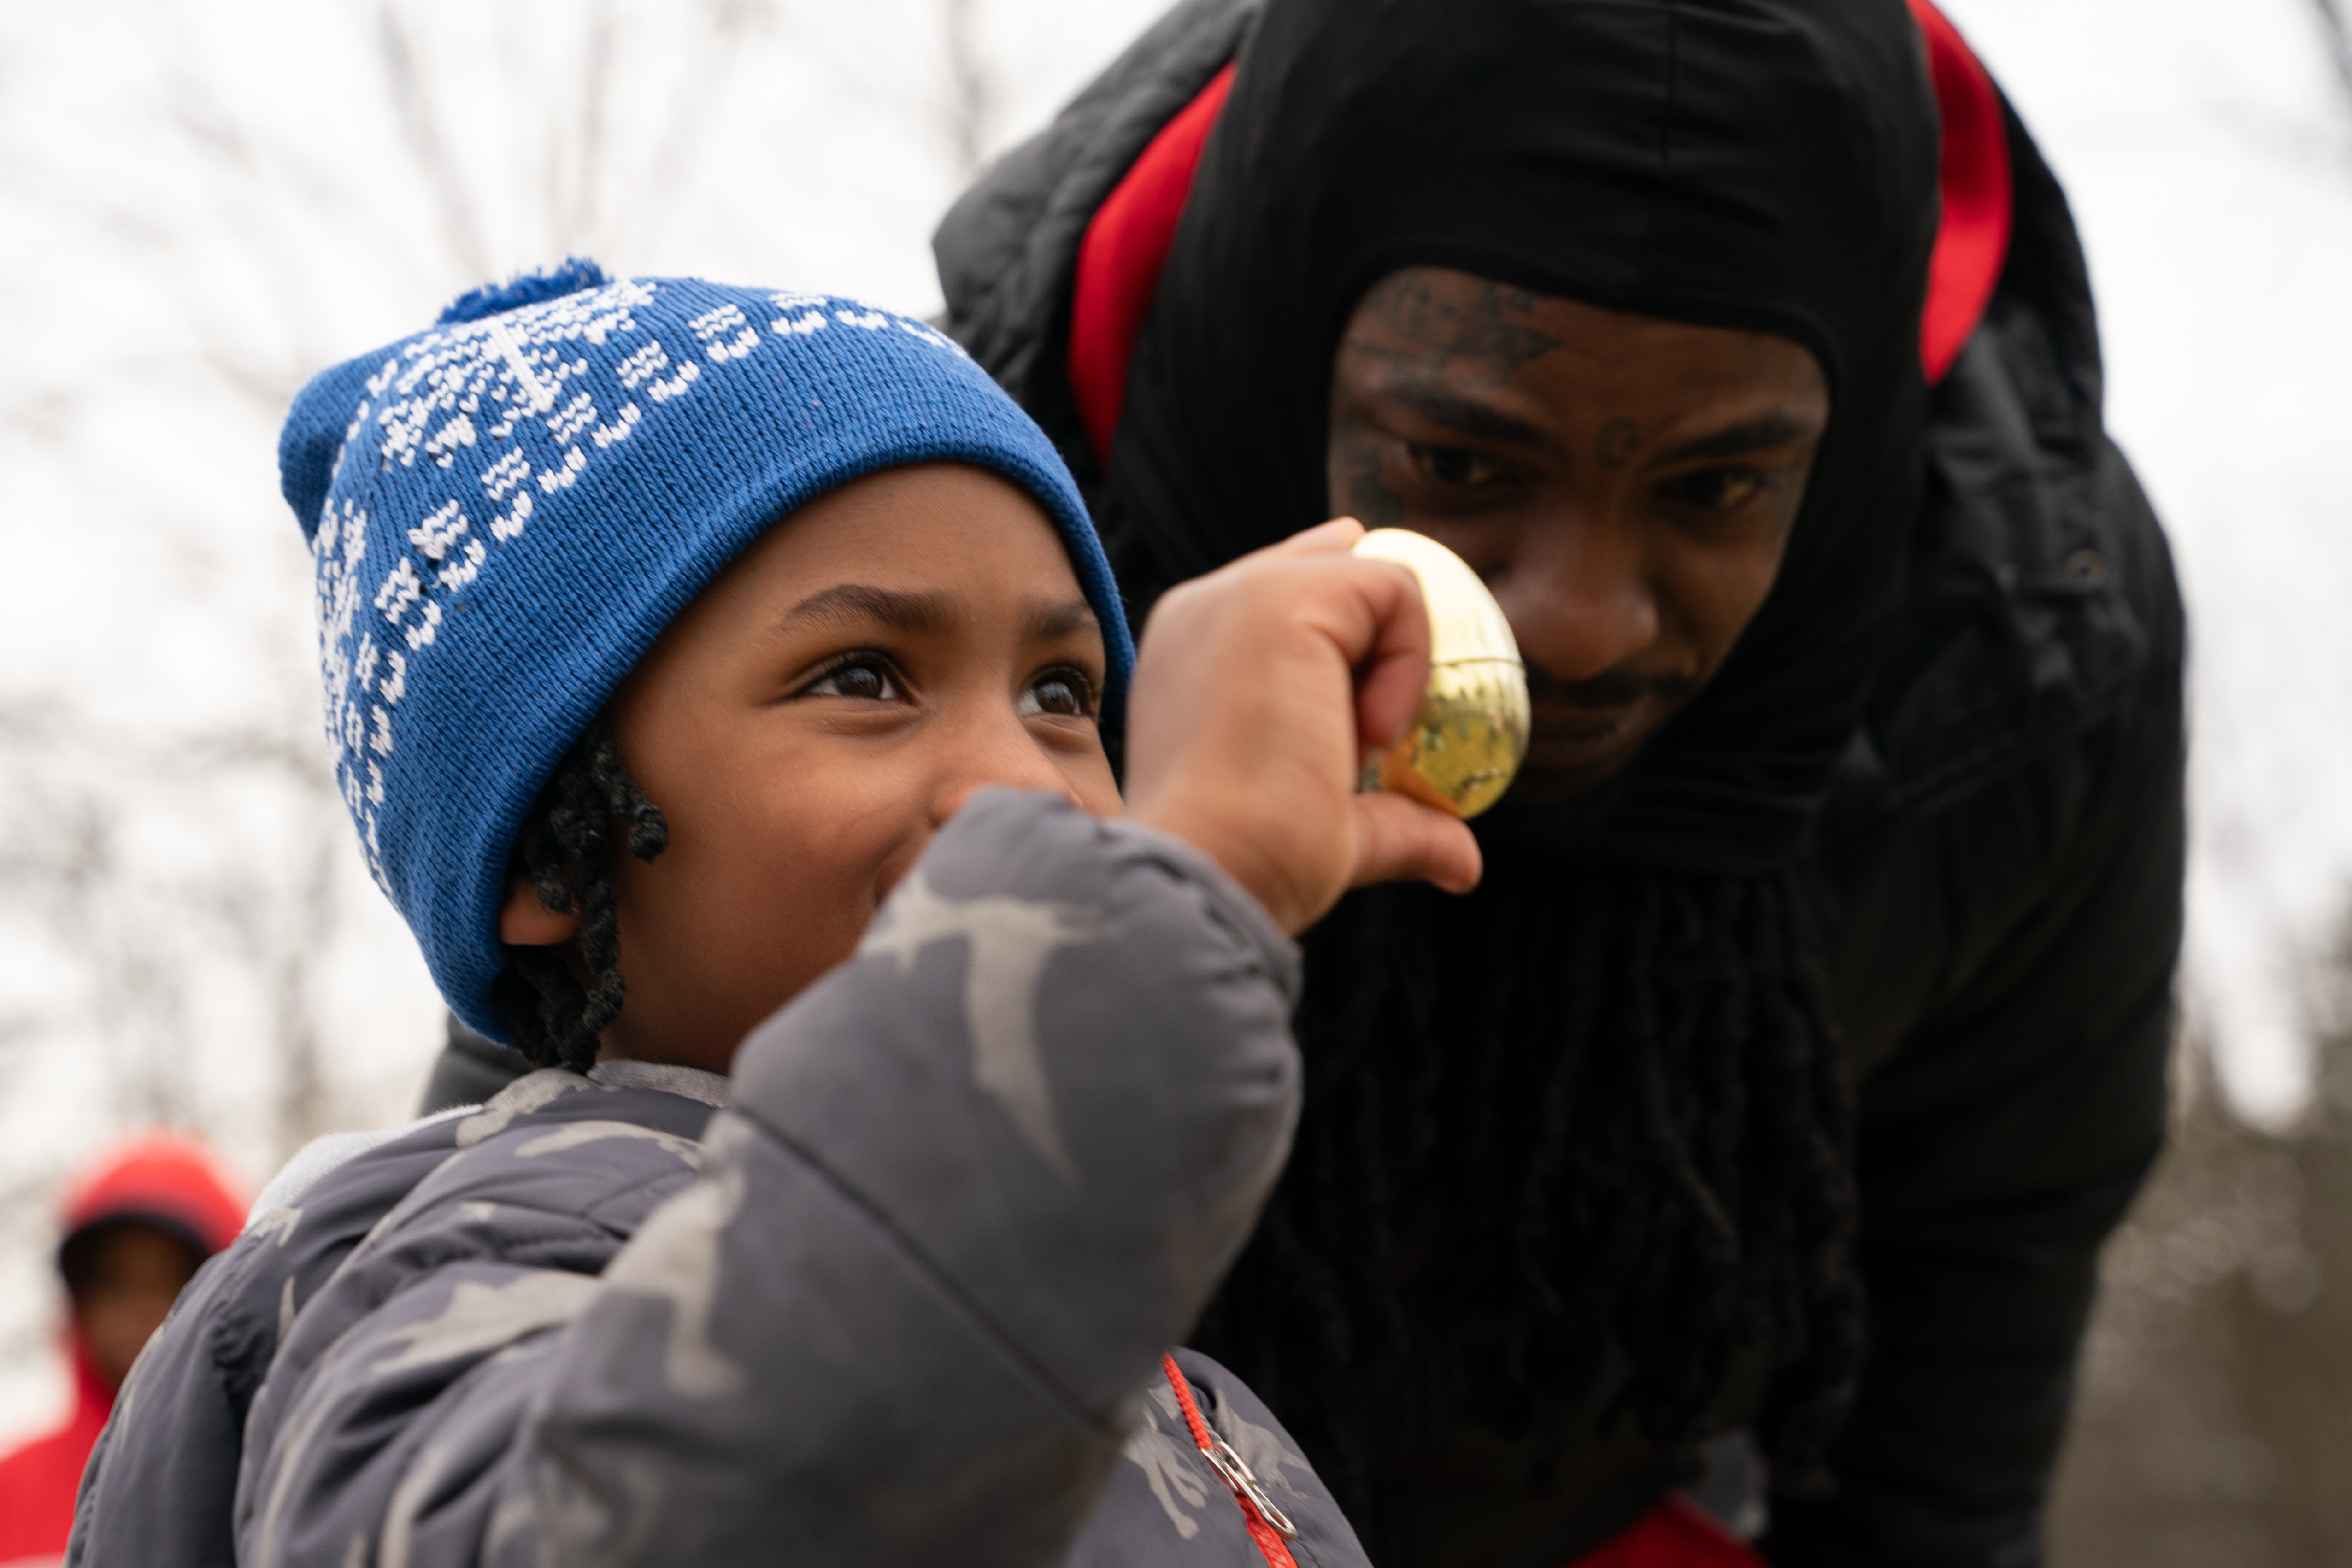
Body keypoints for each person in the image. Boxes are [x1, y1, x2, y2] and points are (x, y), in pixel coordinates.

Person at [933, 0, 2185, 1564]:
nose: (1580, 622)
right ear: (1273, 336)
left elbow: (1953, 1393)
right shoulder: (936, 583)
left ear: (1850, 442)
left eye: (1717, 485)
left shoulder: (2020, 649)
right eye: (1458, 463)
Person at [67, 262, 1485, 1567]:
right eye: (863, 677)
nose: (1022, 784)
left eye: (1061, 695)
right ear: (548, 860)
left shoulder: (1173, 1393)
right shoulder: (486, 1267)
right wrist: (1191, 881)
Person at [0, 1135, 242, 1568]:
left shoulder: (268, 1479)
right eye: (113, 1280)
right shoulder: (10, 1491)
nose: (140, 1306)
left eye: (174, 1281)